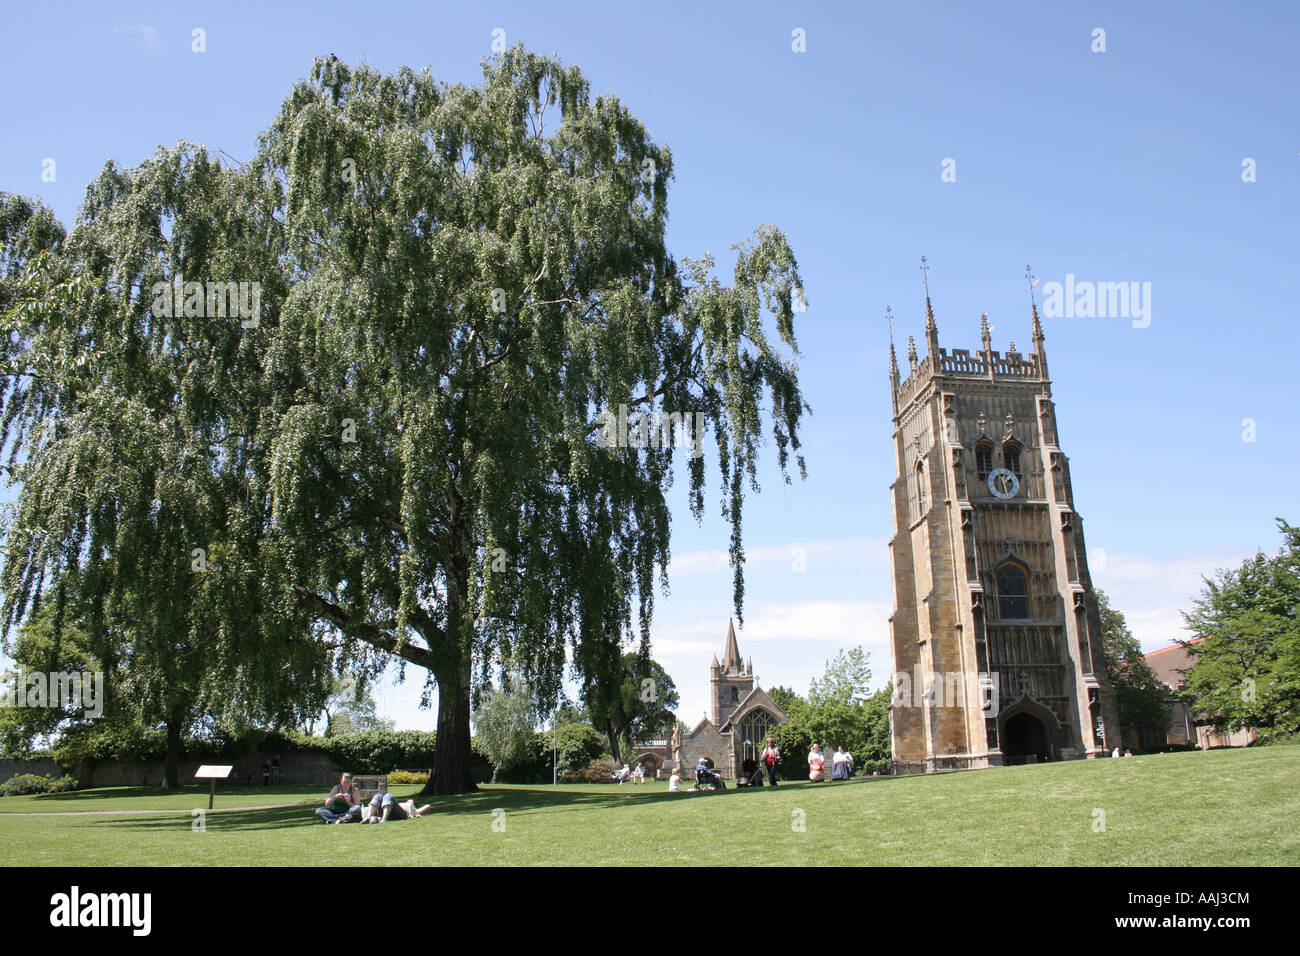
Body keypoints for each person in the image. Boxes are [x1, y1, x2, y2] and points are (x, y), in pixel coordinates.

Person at [363, 791, 432, 823]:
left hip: (401, 814)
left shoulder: (415, 810)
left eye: (412, 801)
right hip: (388, 809)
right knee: (378, 796)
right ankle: (368, 817)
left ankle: (384, 819)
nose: (410, 801)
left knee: (388, 795)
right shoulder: (403, 804)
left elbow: (428, 806)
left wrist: (412, 805)